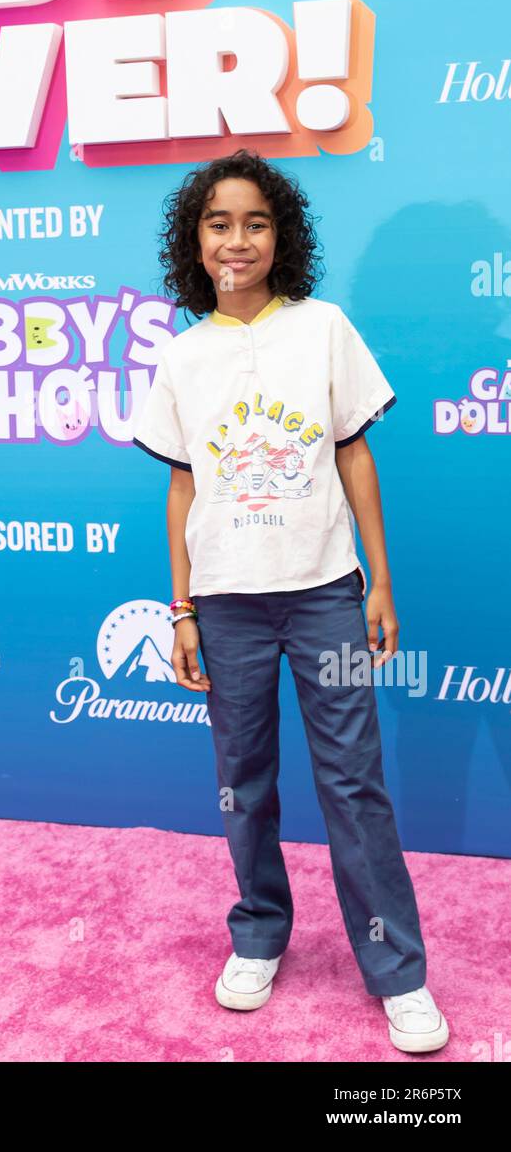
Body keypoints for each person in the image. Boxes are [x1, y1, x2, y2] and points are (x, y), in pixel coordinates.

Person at [131, 149, 449, 1055]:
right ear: (195, 242)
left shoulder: (325, 329)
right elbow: (183, 489)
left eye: (256, 223)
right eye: (219, 223)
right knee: (246, 786)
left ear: (283, 237)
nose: (238, 240)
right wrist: (182, 610)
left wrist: (379, 581)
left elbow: (353, 454)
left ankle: (399, 973)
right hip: (226, 604)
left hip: (326, 595)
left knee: (355, 785)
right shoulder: (183, 357)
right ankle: (259, 935)